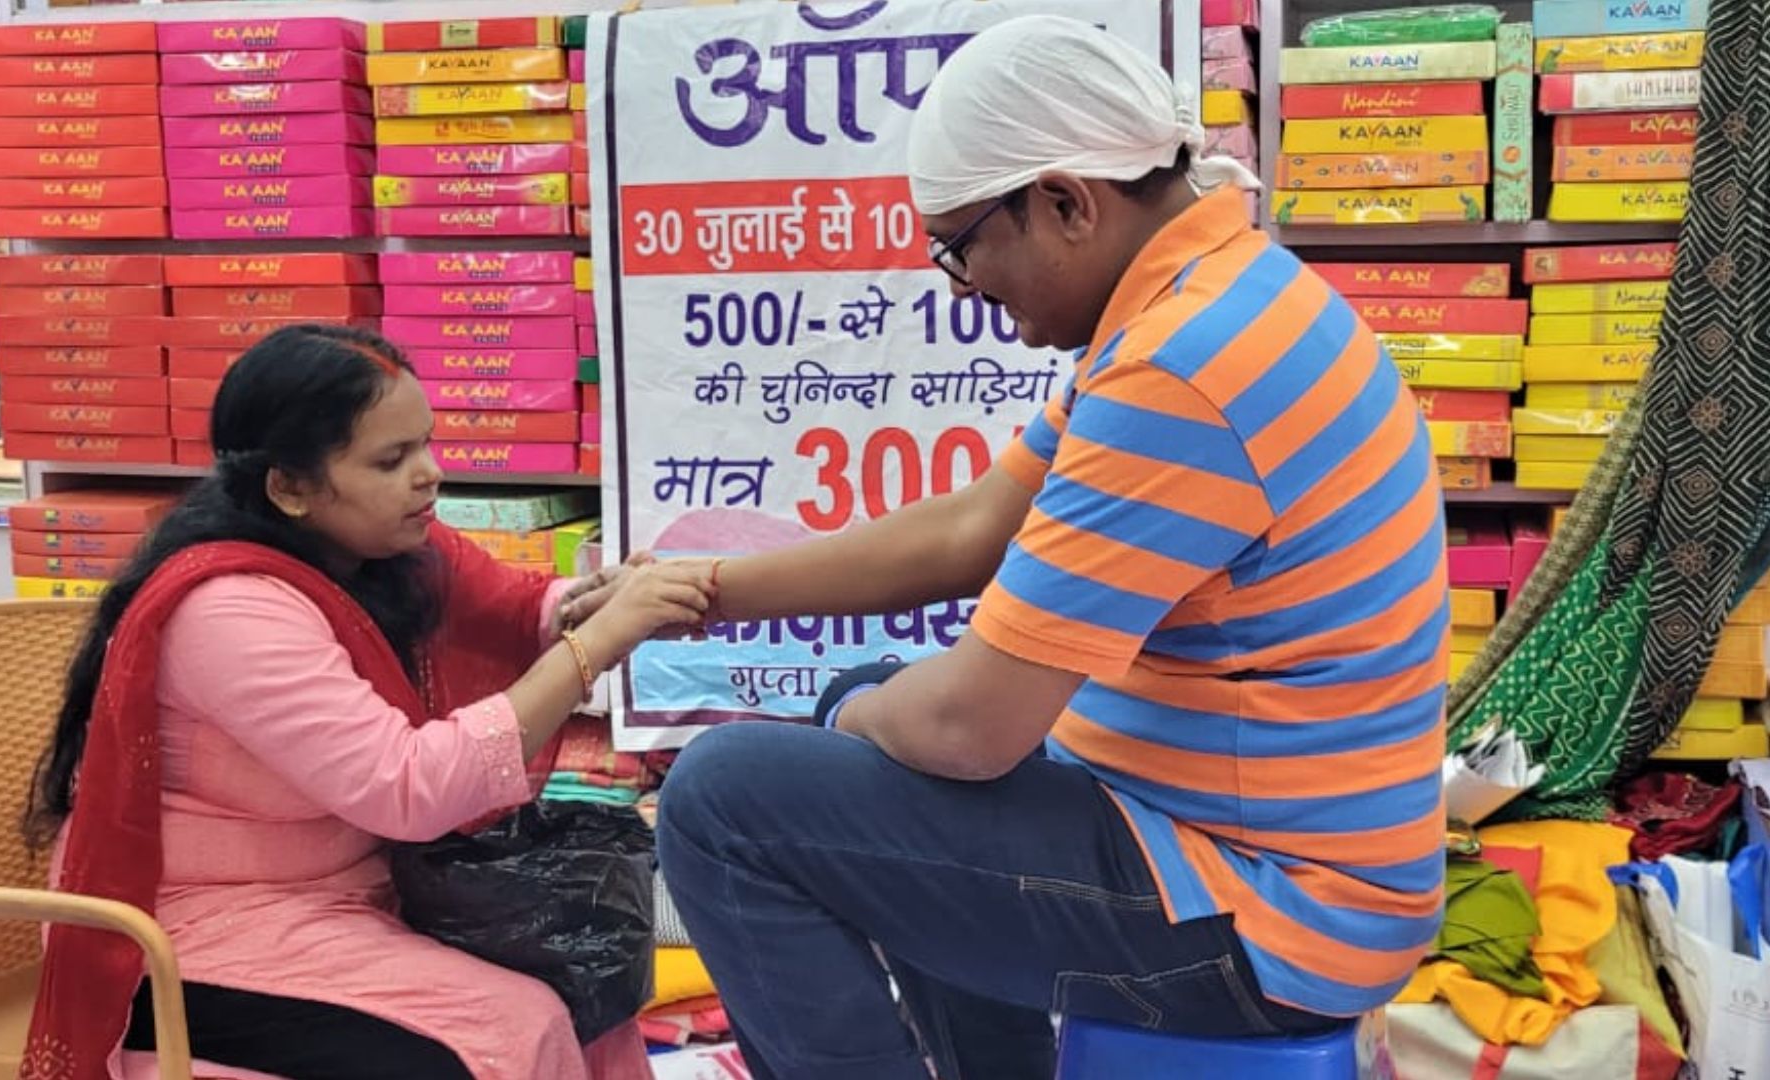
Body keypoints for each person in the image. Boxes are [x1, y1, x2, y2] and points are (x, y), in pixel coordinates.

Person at [581, 17, 1450, 1080]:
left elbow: (969, 731)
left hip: (1273, 918)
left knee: (725, 801)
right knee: (862, 718)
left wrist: (855, 719)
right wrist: (701, 589)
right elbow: (970, 528)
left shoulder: (1181, 368)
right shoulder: (1215, 295)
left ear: (1065, 203)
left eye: (961, 245)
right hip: (1268, 854)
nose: (961, 284)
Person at [22, 325, 713, 1080]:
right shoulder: (229, 611)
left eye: (426, 444)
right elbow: (407, 787)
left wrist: (595, 600)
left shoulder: (387, 552)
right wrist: (600, 641)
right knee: (516, 1027)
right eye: (391, 460)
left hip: (362, 895)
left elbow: (514, 606)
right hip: (208, 933)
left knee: (591, 995)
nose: (429, 476)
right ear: (288, 487)